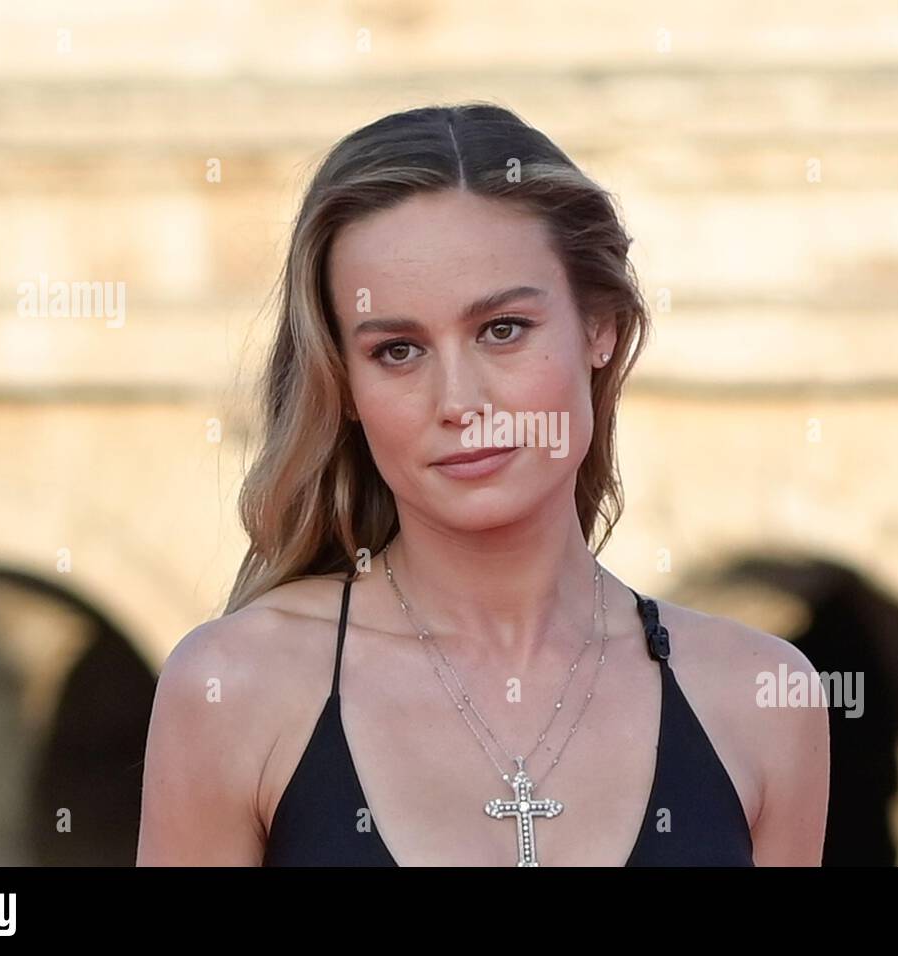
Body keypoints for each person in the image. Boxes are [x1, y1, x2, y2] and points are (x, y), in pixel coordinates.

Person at [136, 102, 829, 866]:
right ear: (344, 387)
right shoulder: (235, 690)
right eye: (398, 350)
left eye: (502, 330)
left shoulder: (763, 699)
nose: (459, 403)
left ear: (600, 326)